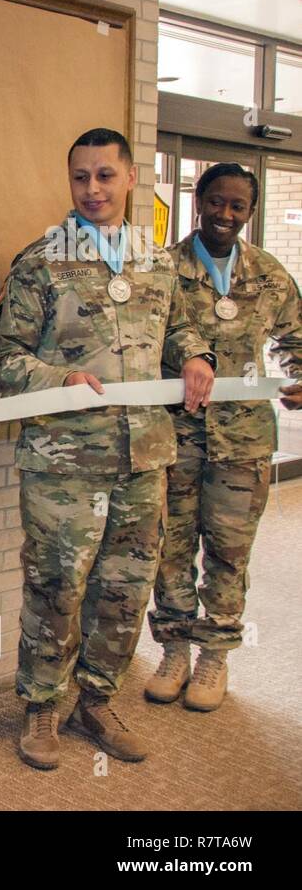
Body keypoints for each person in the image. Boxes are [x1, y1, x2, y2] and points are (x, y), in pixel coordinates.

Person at [0, 127, 215, 770]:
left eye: (105, 176)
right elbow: (0, 361)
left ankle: (97, 699)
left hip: (146, 457)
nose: (92, 190)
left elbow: (179, 329)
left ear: (131, 178)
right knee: (56, 587)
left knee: (124, 588)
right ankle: (40, 708)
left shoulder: (157, 261)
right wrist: (60, 380)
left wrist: (196, 355)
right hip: (65, 462)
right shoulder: (40, 263)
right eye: (80, 177)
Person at [146, 163, 302, 711]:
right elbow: (149, 335)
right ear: (198, 202)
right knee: (172, 545)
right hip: (176, 434)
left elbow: (296, 339)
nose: (225, 214)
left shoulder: (271, 276)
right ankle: (173, 648)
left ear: (250, 212)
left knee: (229, 552)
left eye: (237, 206)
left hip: (243, 440)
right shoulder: (162, 268)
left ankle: (215, 653)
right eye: (216, 202)